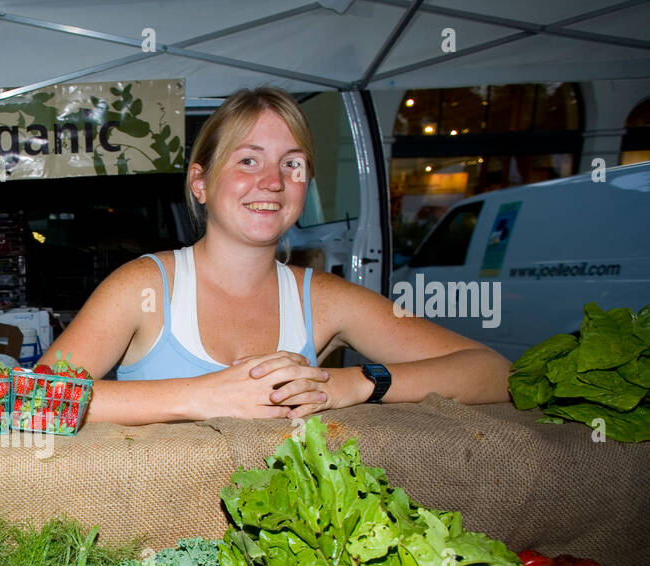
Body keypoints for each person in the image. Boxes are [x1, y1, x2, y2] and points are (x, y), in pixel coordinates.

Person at [37, 87, 511, 425]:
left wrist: (355, 384)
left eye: (292, 164)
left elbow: (493, 373)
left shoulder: (326, 299)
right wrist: (202, 396)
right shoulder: (142, 287)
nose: (273, 181)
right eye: (248, 160)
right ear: (200, 183)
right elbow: (33, 400)